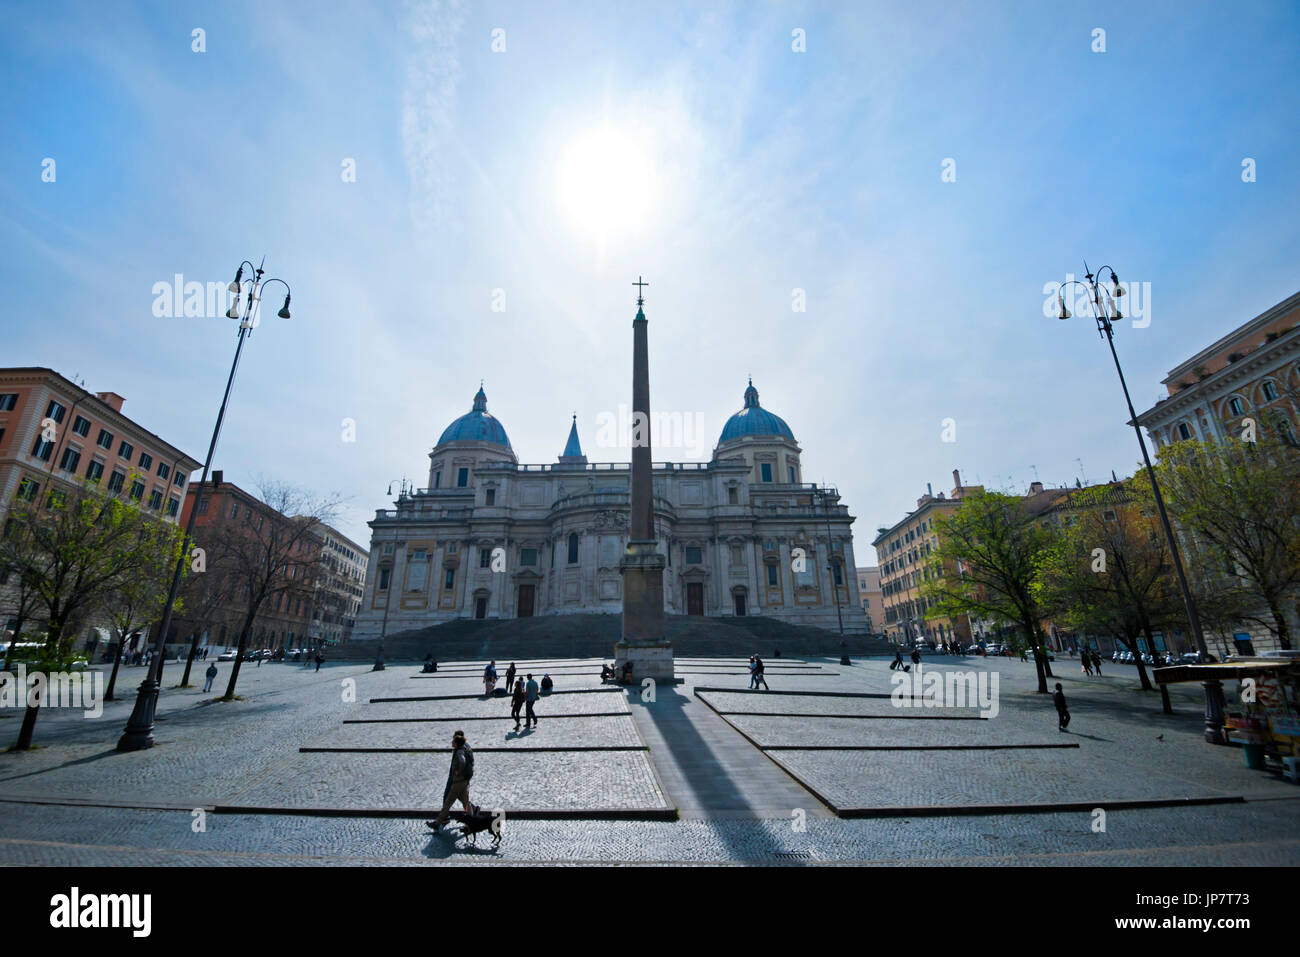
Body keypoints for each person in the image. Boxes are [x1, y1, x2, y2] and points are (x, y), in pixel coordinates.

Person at [428, 730, 474, 832]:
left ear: (456, 743)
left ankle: (437, 823)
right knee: (465, 802)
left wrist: (458, 772)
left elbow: (462, 761)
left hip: (458, 782)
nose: (451, 743)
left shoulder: (459, 752)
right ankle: (472, 821)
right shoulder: (466, 748)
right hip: (464, 781)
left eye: (453, 741)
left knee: (448, 803)